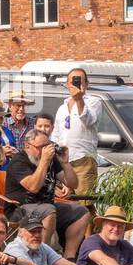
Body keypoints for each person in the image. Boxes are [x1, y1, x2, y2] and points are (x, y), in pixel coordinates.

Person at [3, 123, 90, 259]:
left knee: (81, 211)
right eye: (41, 147)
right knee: (48, 210)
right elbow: (33, 187)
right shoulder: (19, 161)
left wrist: (65, 163)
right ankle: (41, 258)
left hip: (48, 207)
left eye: (47, 145)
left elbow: (73, 184)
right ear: (27, 146)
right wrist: (44, 160)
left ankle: (69, 257)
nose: (45, 150)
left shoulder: (51, 160)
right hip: (19, 209)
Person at [51, 67, 102, 197]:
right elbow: (56, 135)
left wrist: (79, 99)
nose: (76, 83)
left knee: (85, 203)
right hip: (63, 162)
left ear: (86, 84)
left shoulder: (94, 102)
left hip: (83, 161)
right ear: (67, 84)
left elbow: (88, 120)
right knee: (65, 202)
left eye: (79, 81)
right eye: (73, 81)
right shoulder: (62, 108)